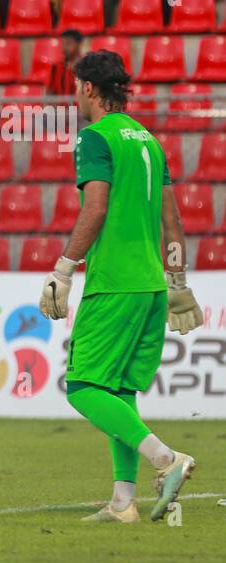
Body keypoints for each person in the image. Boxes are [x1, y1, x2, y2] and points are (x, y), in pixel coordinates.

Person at [37, 50, 203, 523]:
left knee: (83, 385)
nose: (74, 96)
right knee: (120, 390)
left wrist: (64, 269)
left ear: (89, 88)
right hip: (152, 285)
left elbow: (96, 208)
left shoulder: (95, 137)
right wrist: (177, 282)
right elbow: (172, 220)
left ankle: (167, 459)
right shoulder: (150, 142)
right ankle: (123, 501)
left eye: (75, 87)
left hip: (115, 284)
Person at [47, 28, 83, 97]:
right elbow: (49, 92)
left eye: (68, 43)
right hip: (60, 107)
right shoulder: (56, 67)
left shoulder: (86, 66)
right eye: (63, 43)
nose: (64, 47)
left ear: (78, 44)